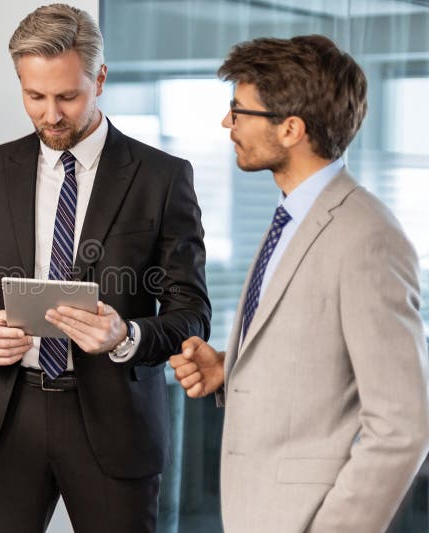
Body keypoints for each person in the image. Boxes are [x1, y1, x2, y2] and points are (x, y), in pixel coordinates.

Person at [0, 5, 211, 532]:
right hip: (8, 420)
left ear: (100, 78)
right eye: (34, 96)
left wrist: (126, 334)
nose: (51, 114)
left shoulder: (162, 177)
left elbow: (192, 313)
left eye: (67, 96)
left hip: (116, 424)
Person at [169, 35, 429, 533]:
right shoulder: (292, 218)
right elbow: (314, 356)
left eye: (239, 110)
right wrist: (231, 367)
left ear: (290, 129)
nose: (228, 123)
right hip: (254, 510)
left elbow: (402, 428)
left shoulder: (367, 237)